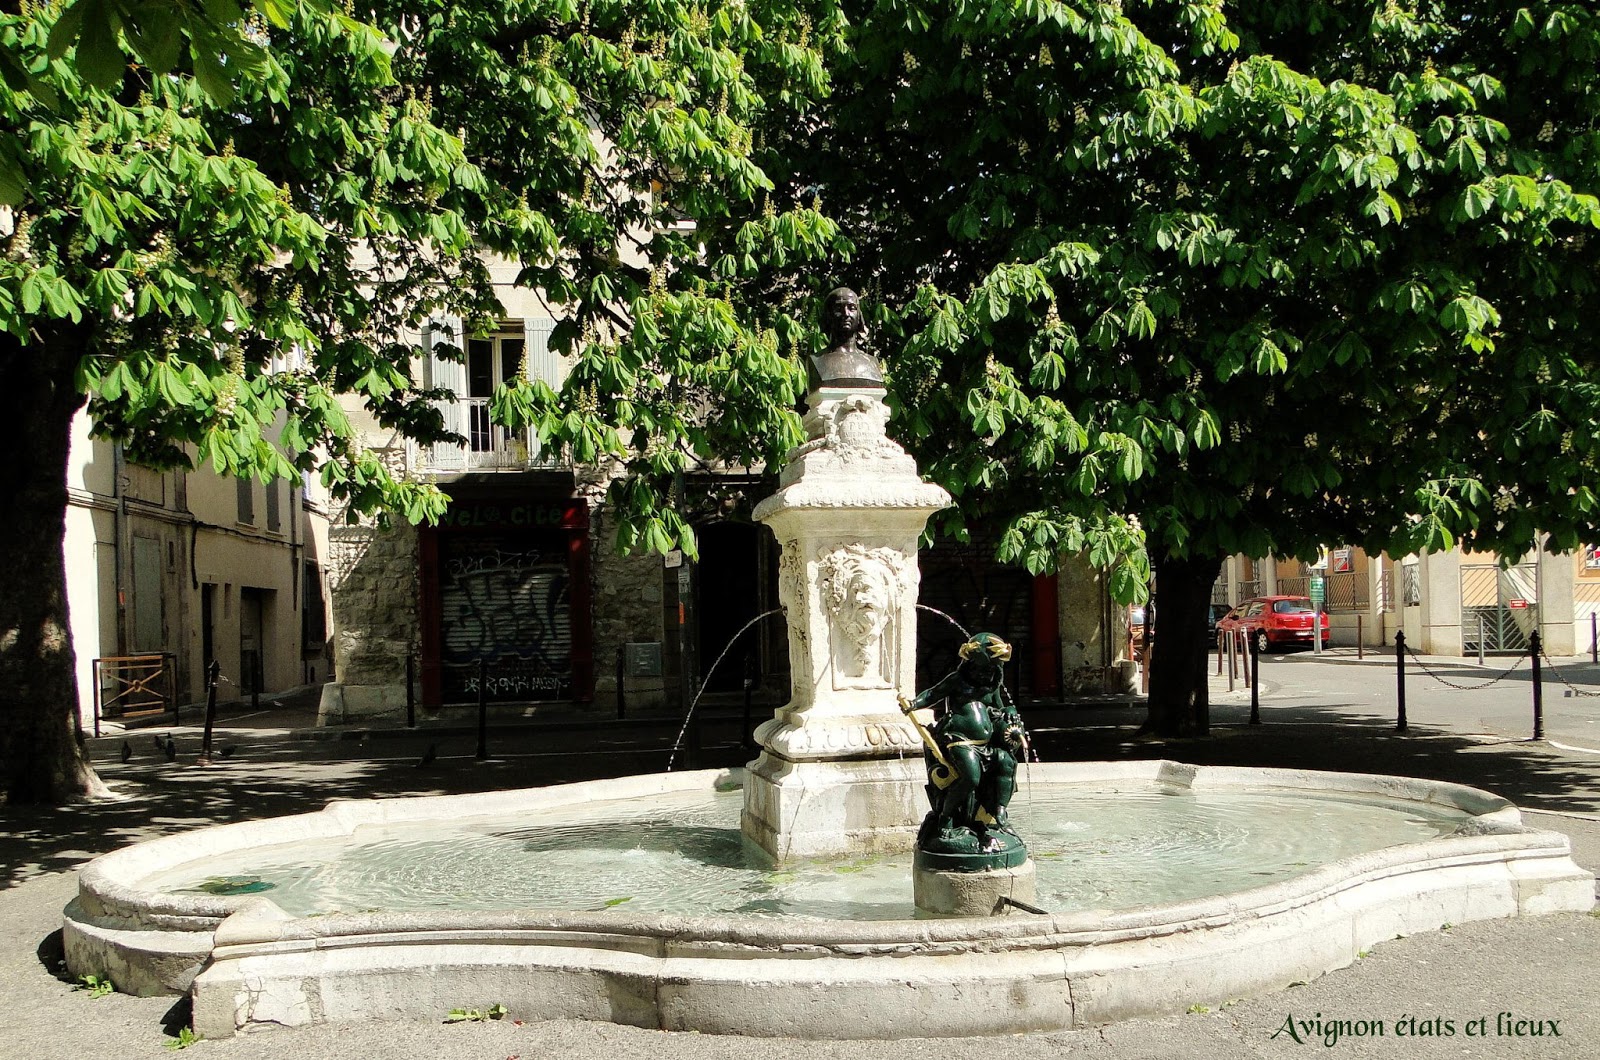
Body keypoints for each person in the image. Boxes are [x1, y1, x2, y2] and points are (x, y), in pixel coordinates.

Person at [899, 632, 1027, 854]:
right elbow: (933, 694)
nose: (991, 671)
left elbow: (998, 705)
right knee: (970, 777)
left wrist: (1010, 711)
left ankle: (999, 812)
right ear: (976, 662)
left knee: (1007, 763)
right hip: (961, 741)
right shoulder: (958, 680)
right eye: (989, 665)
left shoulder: (993, 680)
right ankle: (945, 819)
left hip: (986, 743)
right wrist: (914, 703)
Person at [807, 287, 884, 390]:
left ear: (859, 315)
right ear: (828, 316)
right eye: (838, 309)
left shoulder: (872, 363)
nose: (846, 314)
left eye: (852, 308)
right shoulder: (817, 362)